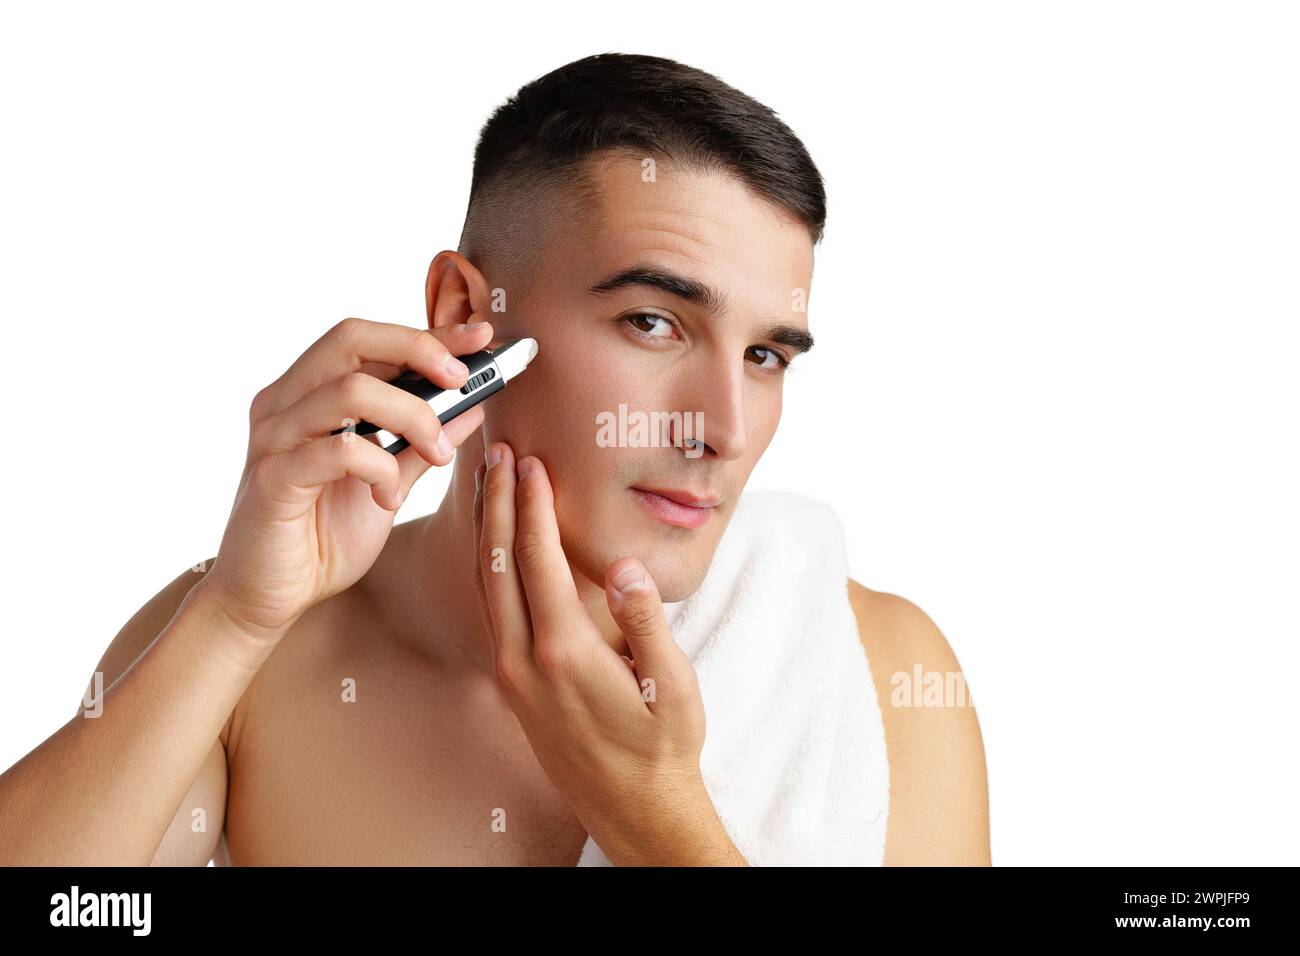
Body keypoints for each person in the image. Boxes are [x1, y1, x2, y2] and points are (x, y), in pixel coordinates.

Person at [0, 52, 989, 866]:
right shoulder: (259, 656)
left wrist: (659, 819)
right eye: (654, 322)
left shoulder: (880, 668)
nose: (722, 426)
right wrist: (232, 614)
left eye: (765, 354)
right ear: (467, 316)